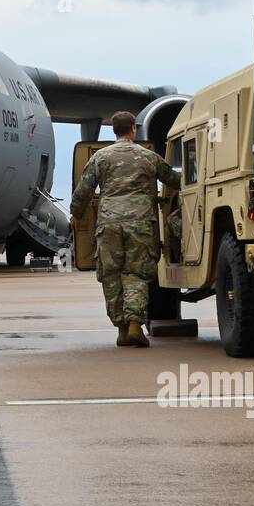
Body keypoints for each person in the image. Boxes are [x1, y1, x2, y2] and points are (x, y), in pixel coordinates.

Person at [69, 111, 180, 347]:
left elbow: (83, 191)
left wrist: (76, 215)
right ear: (133, 130)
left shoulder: (100, 158)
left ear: (113, 131)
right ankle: (134, 325)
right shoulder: (148, 156)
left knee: (111, 275)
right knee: (136, 273)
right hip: (140, 222)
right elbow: (173, 178)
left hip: (108, 223)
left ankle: (120, 329)